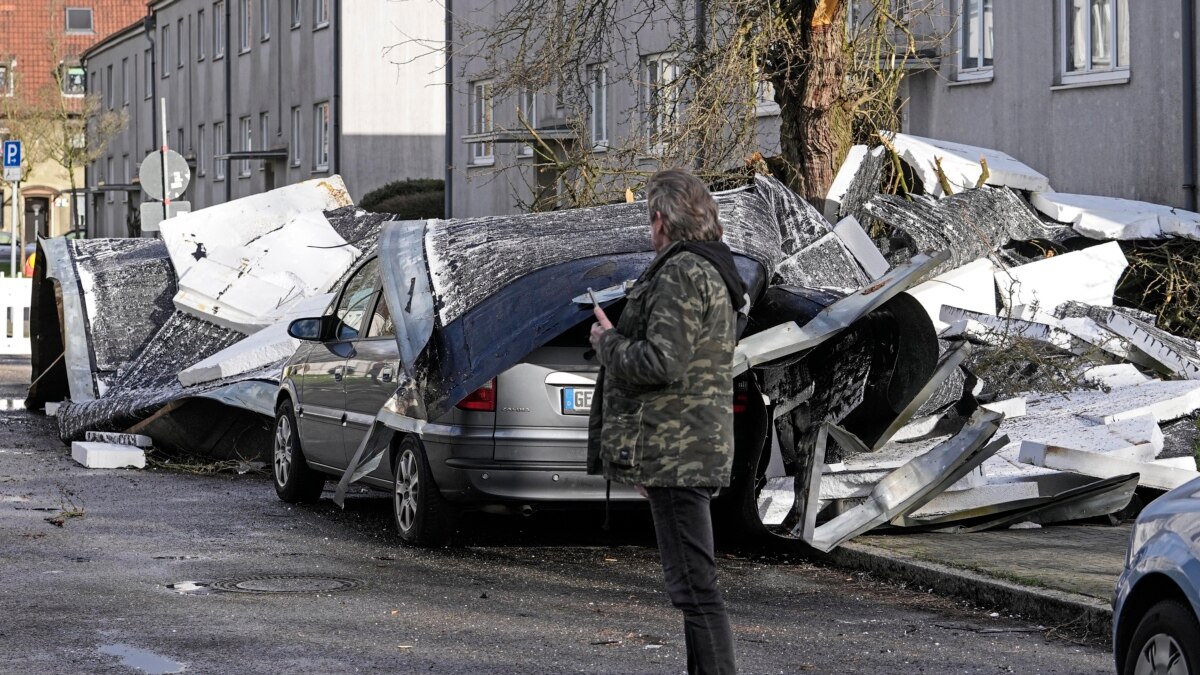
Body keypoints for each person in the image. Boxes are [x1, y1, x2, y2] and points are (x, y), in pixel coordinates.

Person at [587, 168, 747, 675]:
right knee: (695, 588)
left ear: (660, 219)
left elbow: (662, 362)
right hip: (680, 447)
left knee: (695, 590)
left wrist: (607, 342)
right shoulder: (711, 269)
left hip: (679, 449)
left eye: (649, 218)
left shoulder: (682, 273)